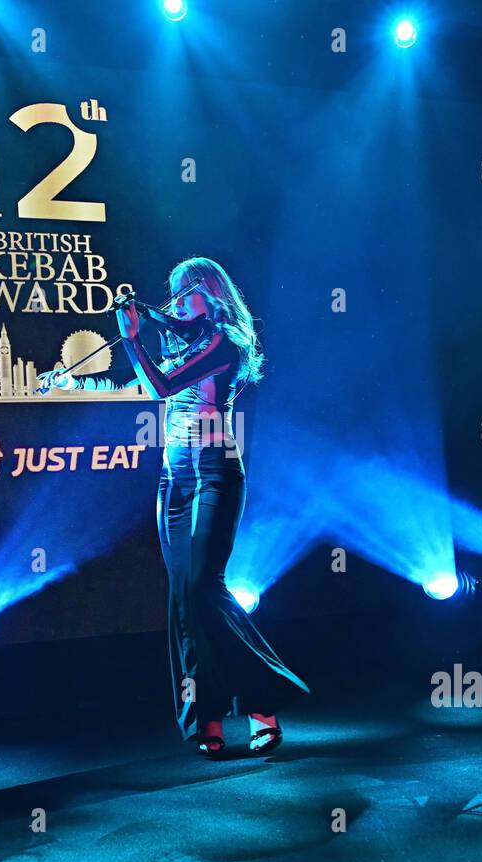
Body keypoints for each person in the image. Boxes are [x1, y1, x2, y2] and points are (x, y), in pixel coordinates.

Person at [42, 257, 310, 757]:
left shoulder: (225, 342)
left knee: (203, 587)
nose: (180, 299)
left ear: (213, 293)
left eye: (190, 291)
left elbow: (163, 388)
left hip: (214, 472)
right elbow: (137, 386)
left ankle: (262, 702)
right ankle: (205, 716)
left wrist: (133, 335)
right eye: (175, 291)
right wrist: (72, 380)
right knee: (182, 599)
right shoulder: (182, 346)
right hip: (175, 480)